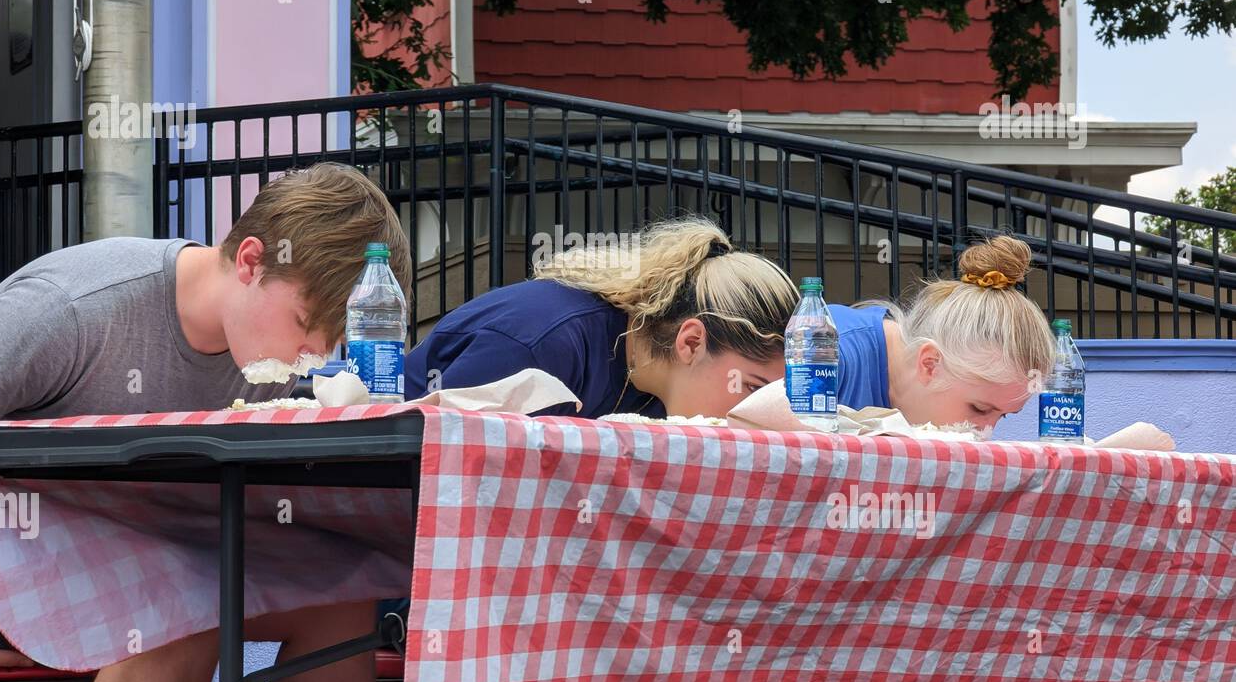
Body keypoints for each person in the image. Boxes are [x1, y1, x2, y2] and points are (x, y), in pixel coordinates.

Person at [0, 162, 411, 682]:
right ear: (250, 261)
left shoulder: (265, 357)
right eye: (306, 323)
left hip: (135, 549)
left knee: (338, 603)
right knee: (184, 591)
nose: (314, 355)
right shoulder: (73, 307)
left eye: (329, 340)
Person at [406, 218, 799, 419]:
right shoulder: (542, 344)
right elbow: (453, 469)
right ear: (691, 342)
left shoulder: (661, 388)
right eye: (751, 387)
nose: (760, 411)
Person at [828, 234, 1054, 434]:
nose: (985, 433)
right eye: (980, 408)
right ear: (929, 364)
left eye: (1002, 415)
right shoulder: (828, 348)